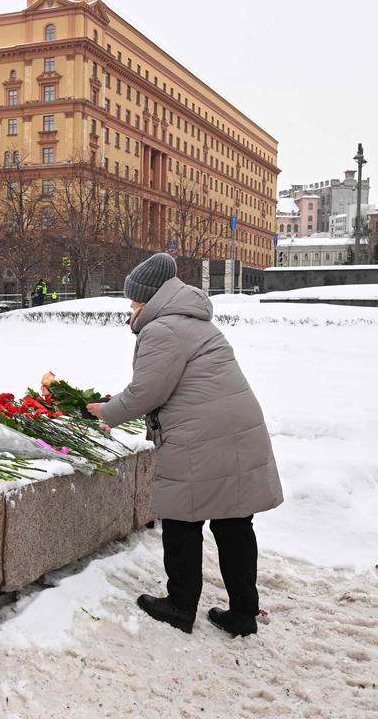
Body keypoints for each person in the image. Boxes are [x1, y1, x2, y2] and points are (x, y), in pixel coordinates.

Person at [86, 253, 283, 637]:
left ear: (147, 297)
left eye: (133, 300)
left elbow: (147, 392)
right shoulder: (194, 321)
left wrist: (106, 412)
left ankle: (179, 606)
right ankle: (244, 612)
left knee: (182, 521)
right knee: (234, 524)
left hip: (201, 437)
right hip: (236, 431)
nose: (130, 307)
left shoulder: (161, 330)